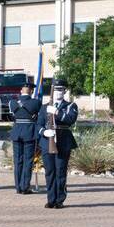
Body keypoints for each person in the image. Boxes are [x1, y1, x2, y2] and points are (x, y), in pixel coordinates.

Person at [40, 77, 80, 209]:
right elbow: (37, 124)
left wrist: (56, 112)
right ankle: (51, 199)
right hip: (47, 141)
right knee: (49, 172)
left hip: (63, 141)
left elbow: (70, 119)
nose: (58, 92)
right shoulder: (44, 107)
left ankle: (59, 200)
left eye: (61, 90)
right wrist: (43, 132)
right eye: (56, 90)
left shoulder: (70, 106)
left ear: (64, 91)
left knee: (60, 171)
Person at [9, 77, 41, 194]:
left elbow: (13, 117)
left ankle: (18, 187)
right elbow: (39, 116)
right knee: (28, 160)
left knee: (18, 160)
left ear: (21, 90)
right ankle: (24, 186)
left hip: (17, 132)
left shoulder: (13, 102)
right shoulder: (36, 103)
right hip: (29, 132)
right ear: (31, 91)